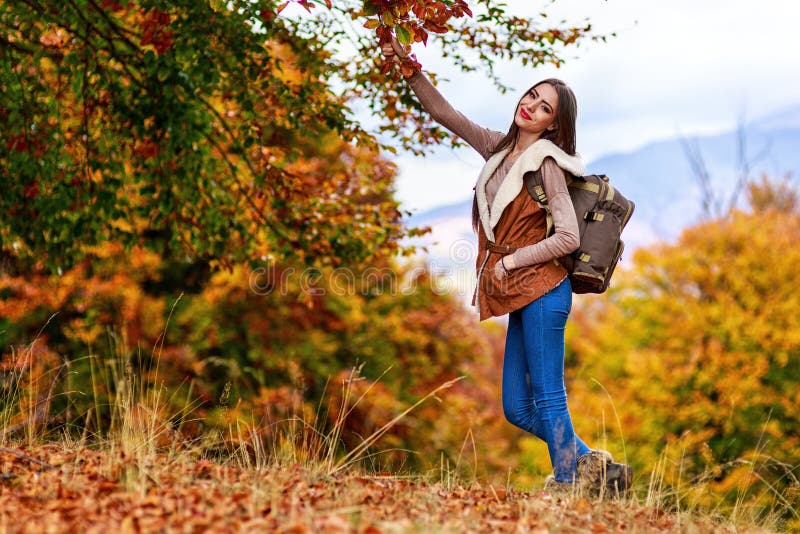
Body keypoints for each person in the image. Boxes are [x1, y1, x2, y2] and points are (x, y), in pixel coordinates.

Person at [381, 37, 632, 495]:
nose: (530, 107)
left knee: (549, 398)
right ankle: (600, 471)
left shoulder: (548, 166)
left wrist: (513, 260)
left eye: (543, 108)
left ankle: (568, 484)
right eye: (531, 96)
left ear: (554, 125)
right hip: (522, 291)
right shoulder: (497, 149)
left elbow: (569, 237)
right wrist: (409, 68)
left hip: (544, 290)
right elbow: (446, 114)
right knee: (517, 408)